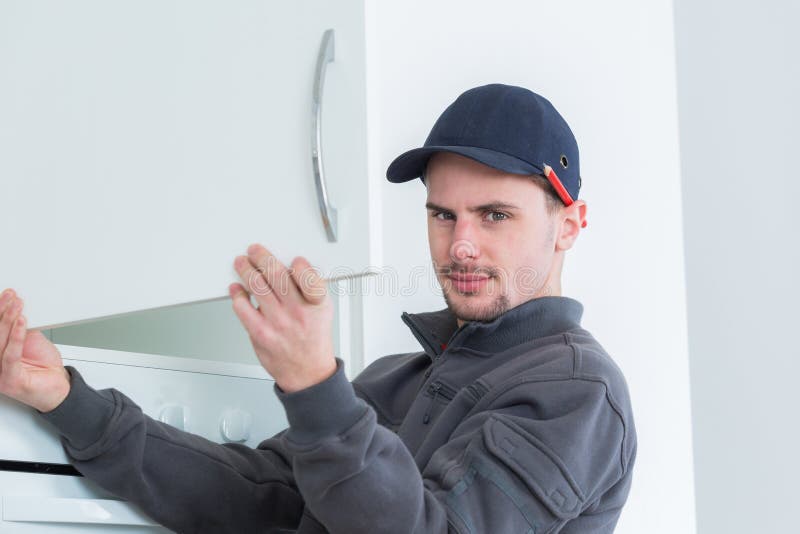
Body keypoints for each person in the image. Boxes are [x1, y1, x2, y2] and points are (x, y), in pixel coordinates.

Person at [0, 83, 636, 533]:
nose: (460, 244)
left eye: (494, 215)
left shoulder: (575, 393)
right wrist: (66, 400)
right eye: (443, 214)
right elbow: (255, 498)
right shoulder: (397, 378)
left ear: (569, 224)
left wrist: (315, 387)